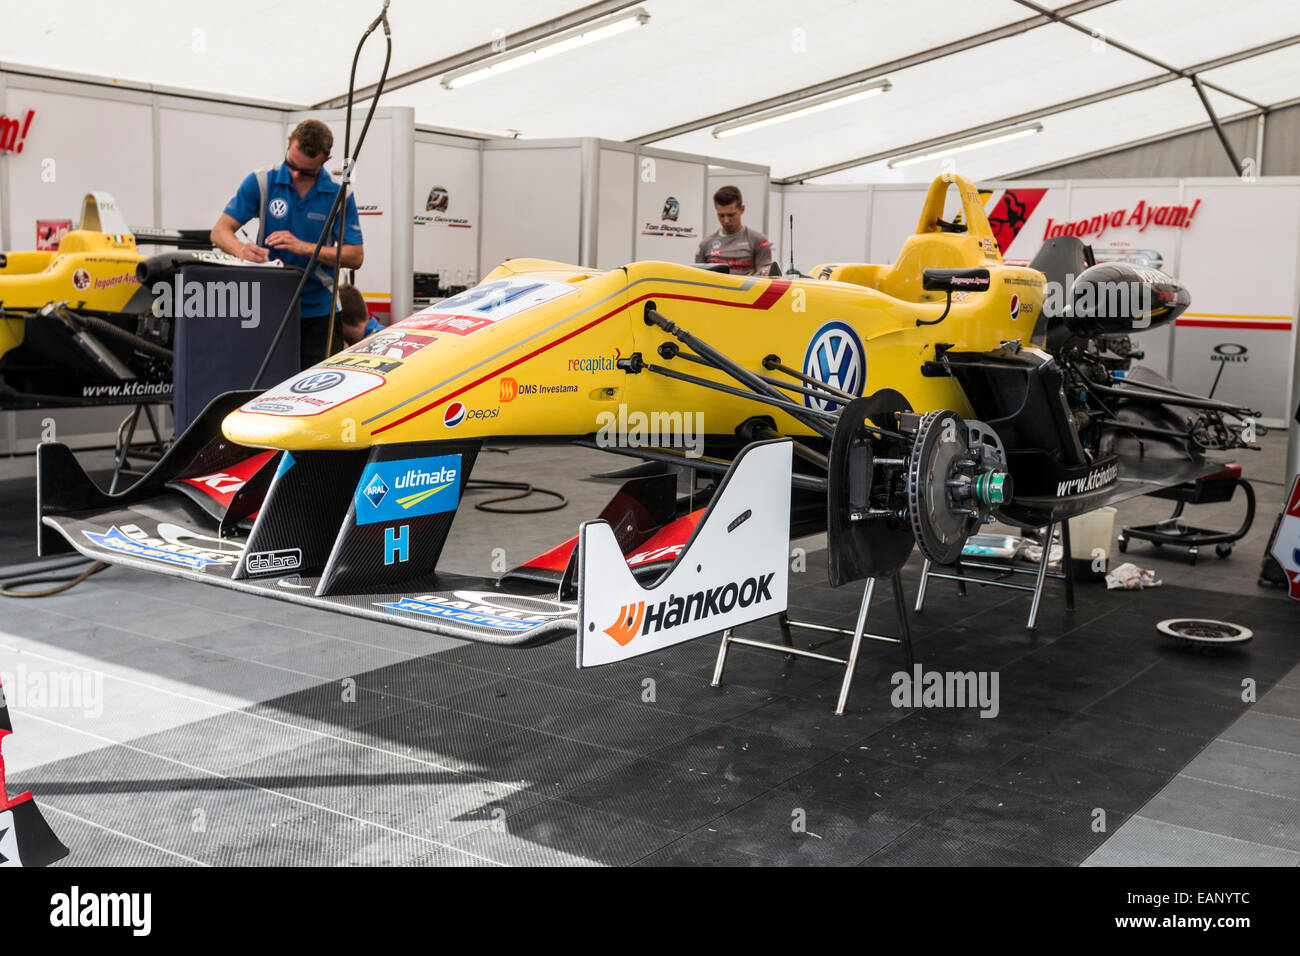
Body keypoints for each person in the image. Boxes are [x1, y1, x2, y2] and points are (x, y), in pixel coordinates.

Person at [211, 119, 365, 369]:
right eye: (291, 164)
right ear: (288, 144)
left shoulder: (340, 194)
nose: (295, 174)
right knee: (265, 390)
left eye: (306, 171)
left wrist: (304, 247)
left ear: (326, 160)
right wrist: (242, 250)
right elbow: (219, 232)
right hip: (269, 308)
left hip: (320, 312)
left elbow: (355, 256)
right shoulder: (262, 181)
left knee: (320, 393)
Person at [696, 185, 773, 276]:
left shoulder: (758, 240)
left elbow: (765, 276)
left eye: (731, 215)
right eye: (721, 215)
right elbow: (698, 278)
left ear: (742, 209)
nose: (726, 221)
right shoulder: (706, 244)